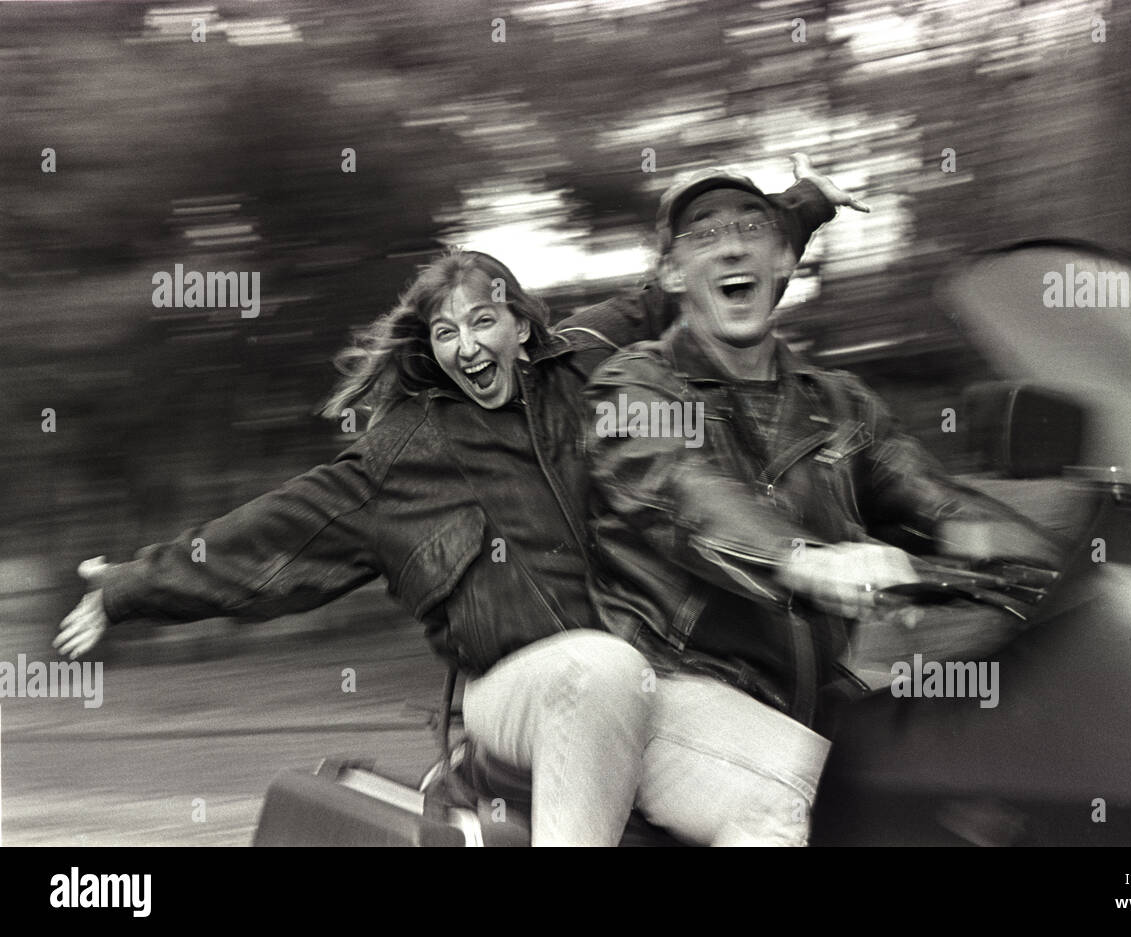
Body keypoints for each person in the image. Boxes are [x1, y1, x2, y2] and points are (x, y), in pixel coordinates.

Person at [55, 158, 866, 845]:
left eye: (484, 320)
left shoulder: (582, 367)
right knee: (602, 666)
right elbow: (260, 541)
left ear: (519, 323)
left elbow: (689, 277)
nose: (468, 343)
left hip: (639, 684)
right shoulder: (397, 461)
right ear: (433, 350)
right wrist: (127, 588)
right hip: (515, 693)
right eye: (448, 334)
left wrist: (805, 206)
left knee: (785, 779)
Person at [582, 168, 1067, 816]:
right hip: (673, 693)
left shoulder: (837, 402)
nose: (732, 248)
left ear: (783, 256)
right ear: (672, 275)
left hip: (814, 695)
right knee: (802, 798)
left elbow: (933, 497)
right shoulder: (635, 389)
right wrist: (810, 559)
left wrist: (1040, 560)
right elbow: (684, 489)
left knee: (977, 791)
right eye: (705, 236)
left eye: (752, 229)